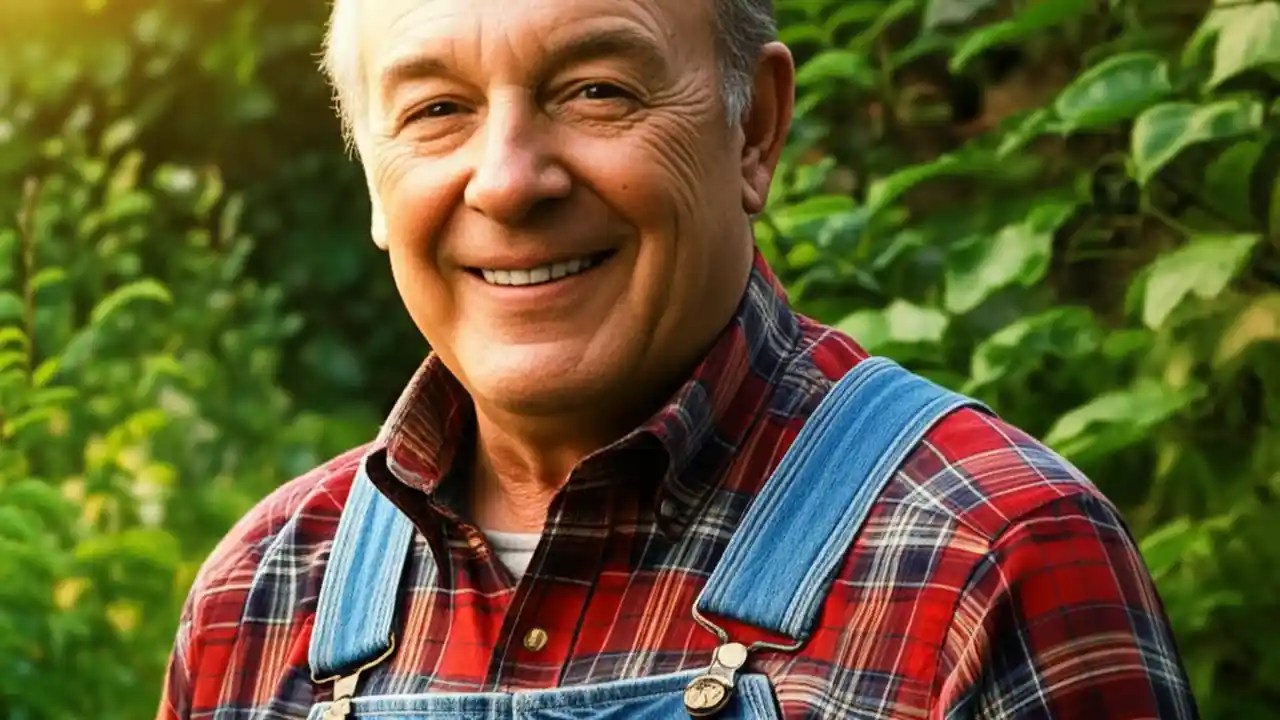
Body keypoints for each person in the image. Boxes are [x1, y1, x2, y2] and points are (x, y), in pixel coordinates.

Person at [157, 0, 1199, 717]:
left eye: (596, 91)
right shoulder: (261, 595)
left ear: (755, 129)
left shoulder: (992, 558)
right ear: (375, 184)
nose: (508, 181)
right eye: (437, 110)